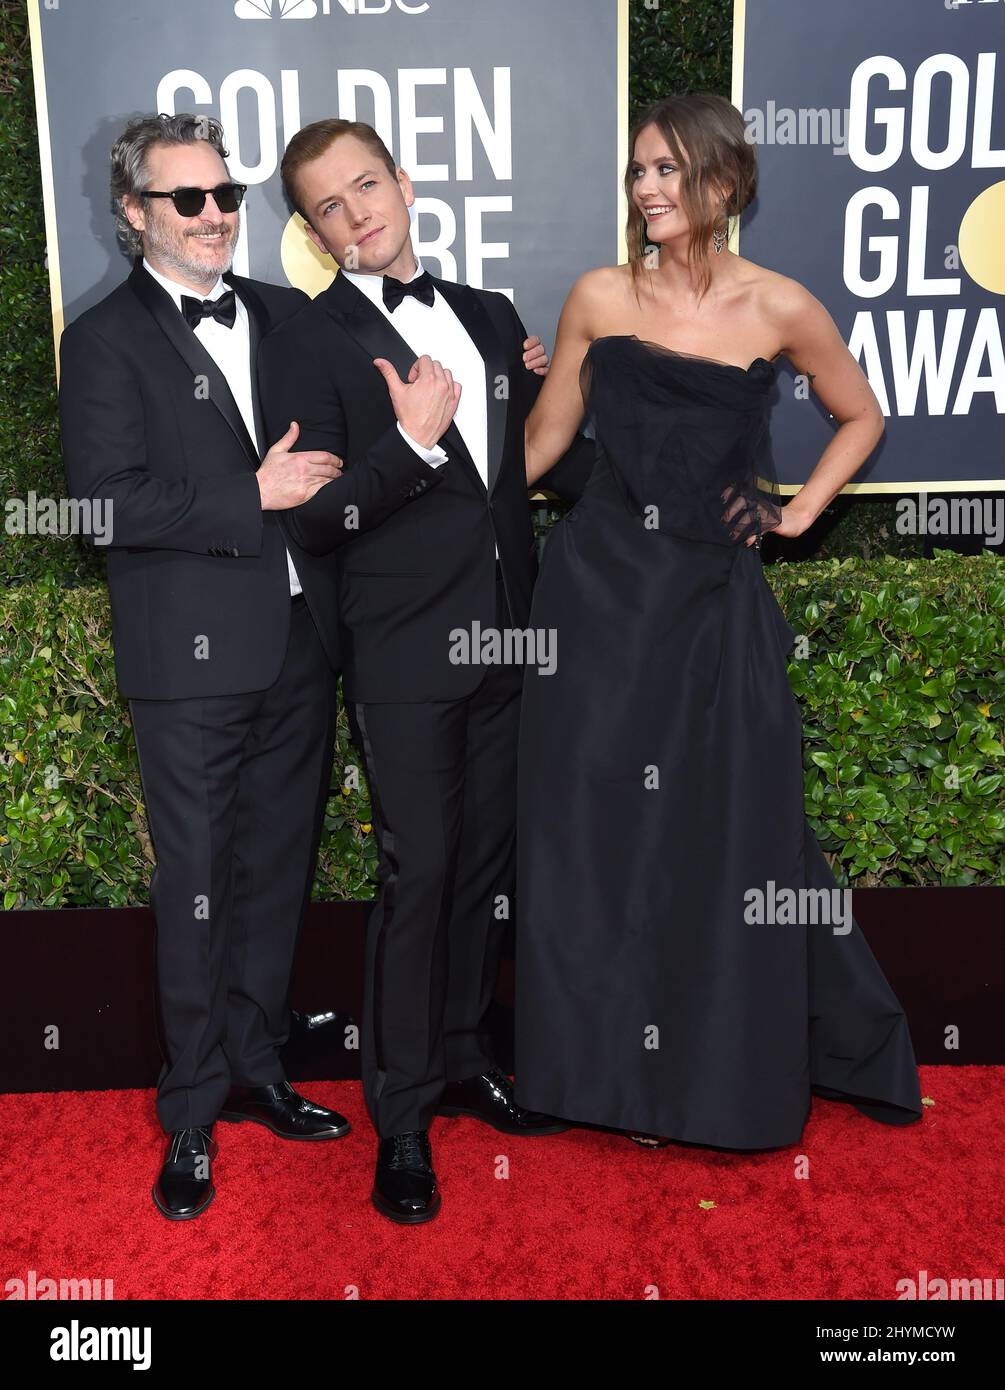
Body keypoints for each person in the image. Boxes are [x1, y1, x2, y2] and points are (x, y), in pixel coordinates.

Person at [58, 113, 454, 1219]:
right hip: (185, 662)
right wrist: (253, 494)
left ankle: (256, 1069)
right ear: (135, 214)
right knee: (195, 885)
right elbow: (100, 505)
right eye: (188, 199)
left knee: (277, 871)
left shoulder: (282, 315)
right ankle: (189, 1112)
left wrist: (504, 358)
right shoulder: (101, 340)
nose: (215, 215)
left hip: (298, 645)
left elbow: (384, 371)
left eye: (226, 195)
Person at [514, 94, 923, 1150]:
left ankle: (708, 1078)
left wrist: (795, 513)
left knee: (722, 829)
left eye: (667, 170)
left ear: (724, 184)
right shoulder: (600, 293)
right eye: (638, 172)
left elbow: (861, 411)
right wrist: (431, 504)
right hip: (599, 594)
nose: (647, 188)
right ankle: (588, 1073)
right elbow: (551, 437)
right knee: (592, 827)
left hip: (708, 601)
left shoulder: (781, 305)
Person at [260, 118, 592, 1224]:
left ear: (403, 181)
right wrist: (405, 450)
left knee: (486, 864)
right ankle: (399, 1115)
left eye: (368, 185)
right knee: (424, 867)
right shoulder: (307, 341)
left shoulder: (494, 319)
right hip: (403, 656)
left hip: (509, 636)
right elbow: (313, 519)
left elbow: (528, 471)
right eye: (330, 208)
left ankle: (462, 1056)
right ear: (314, 234)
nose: (359, 214)